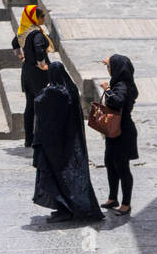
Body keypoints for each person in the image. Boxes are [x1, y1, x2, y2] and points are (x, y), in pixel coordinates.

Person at [32, 61, 103, 222]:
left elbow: (38, 102)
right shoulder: (70, 89)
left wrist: (47, 88)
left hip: (55, 146)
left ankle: (67, 210)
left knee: (57, 177)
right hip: (70, 144)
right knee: (67, 178)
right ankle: (65, 208)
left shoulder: (54, 92)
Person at [99, 54, 139, 214]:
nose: (108, 70)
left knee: (122, 167)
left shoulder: (121, 85)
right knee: (110, 163)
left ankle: (126, 203)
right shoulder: (126, 82)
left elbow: (117, 101)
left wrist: (107, 89)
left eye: (109, 67)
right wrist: (110, 60)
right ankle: (112, 197)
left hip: (123, 132)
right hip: (114, 130)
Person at [15, 5, 54, 147]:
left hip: (27, 72)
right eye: (42, 16)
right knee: (42, 104)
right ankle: (40, 138)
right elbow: (38, 48)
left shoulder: (24, 30)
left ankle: (29, 139)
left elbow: (14, 43)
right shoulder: (37, 33)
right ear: (34, 18)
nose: (44, 18)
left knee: (30, 105)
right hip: (38, 74)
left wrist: (22, 57)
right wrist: (42, 63)